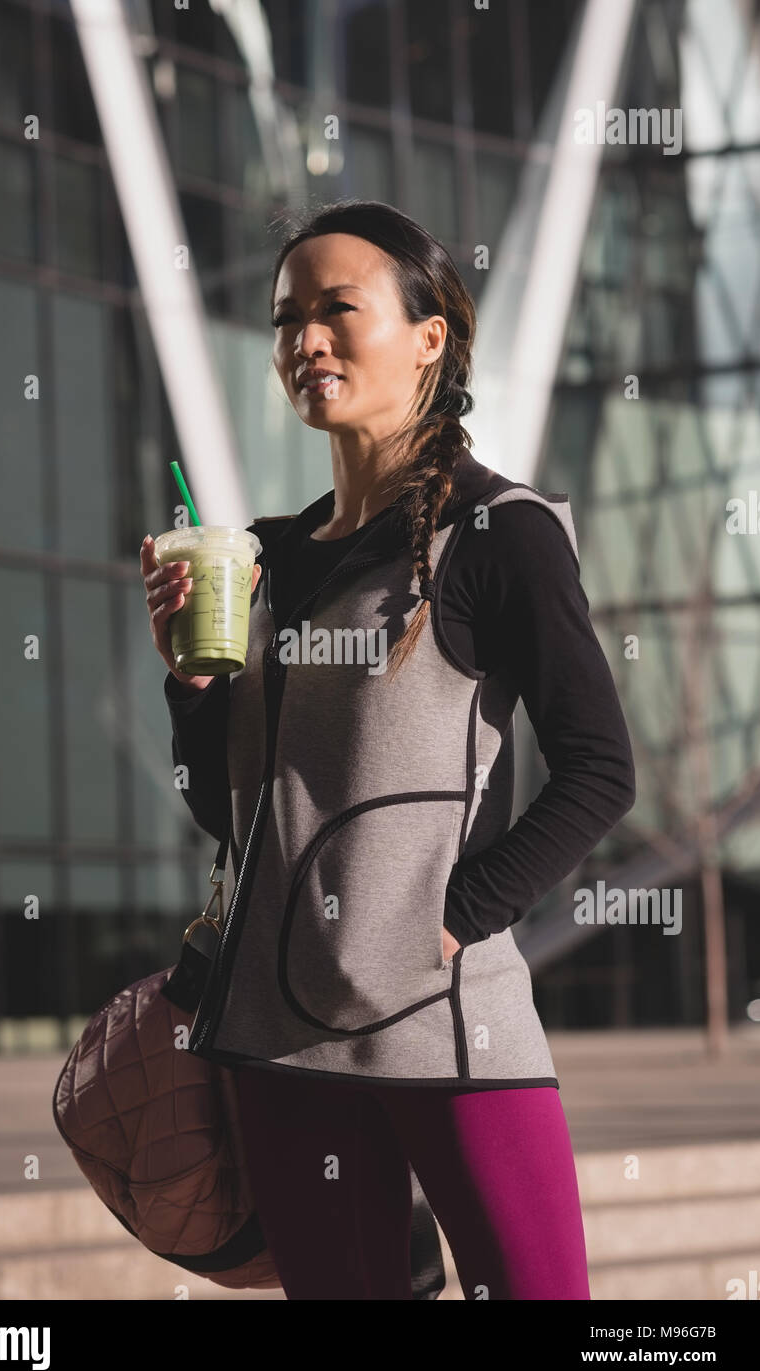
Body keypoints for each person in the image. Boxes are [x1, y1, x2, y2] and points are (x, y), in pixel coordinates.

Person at [140, 200, 636, 1301]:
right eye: (285, 320)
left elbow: (601, 770)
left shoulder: (503, 534)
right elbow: (240, 815)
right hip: (278, 1041)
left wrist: (451, 922)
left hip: (445, 1024)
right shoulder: (265, 554)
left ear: (430, 335)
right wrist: (191, 684)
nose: (304, 340)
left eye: (336, 311)